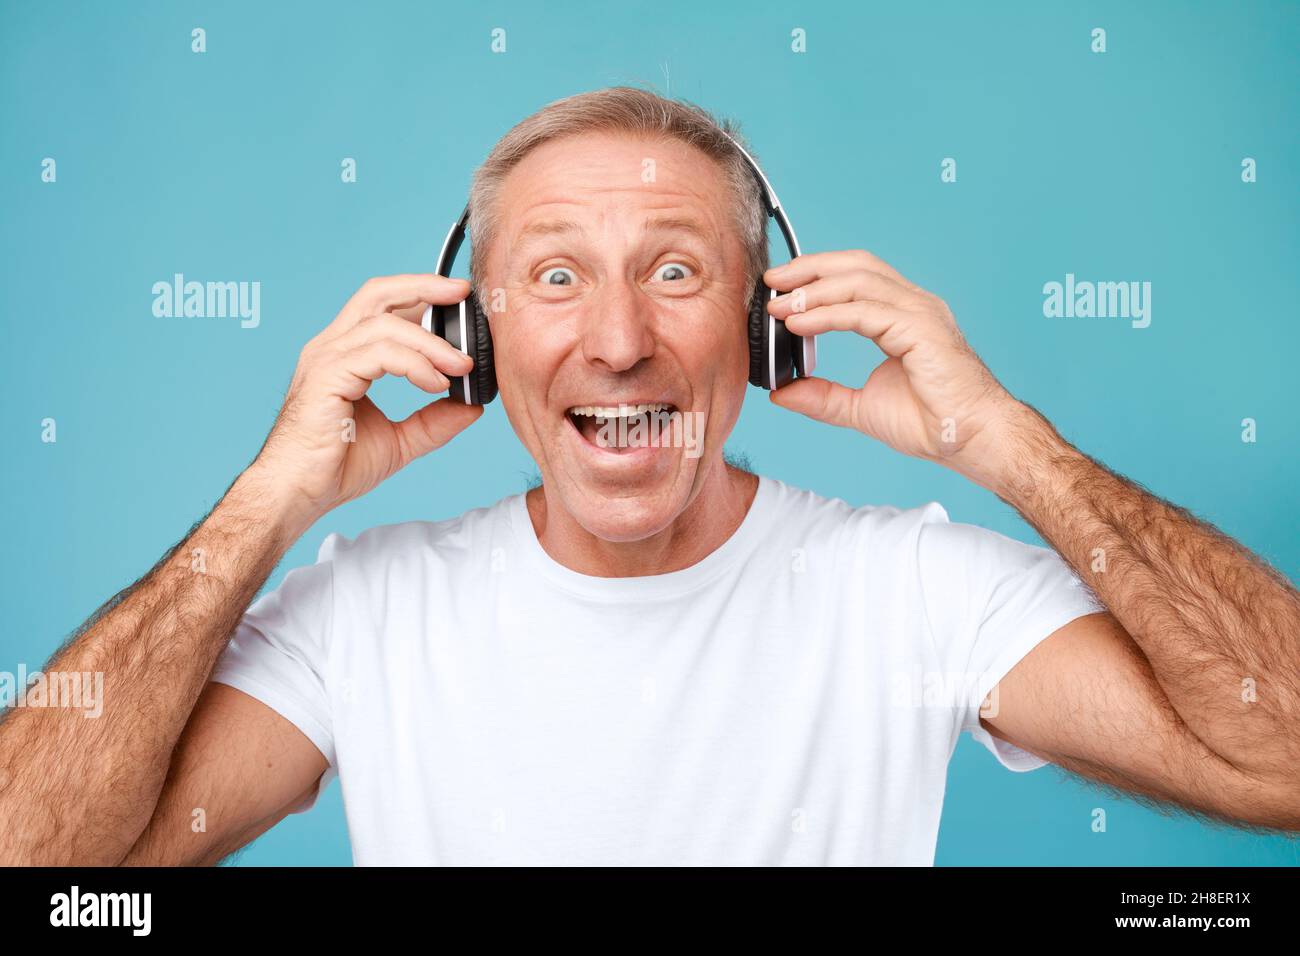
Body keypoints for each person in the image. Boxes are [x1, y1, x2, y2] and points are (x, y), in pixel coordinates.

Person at [1, 88, 1296, 866]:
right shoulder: (367, 616)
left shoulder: (911, 590)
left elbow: (1278, 757)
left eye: (675, 272)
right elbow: (36, 853)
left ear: (760, 325)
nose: (618, 341)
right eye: (556, 278)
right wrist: (267, 500)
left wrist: (1007, 443)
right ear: (479, 337)